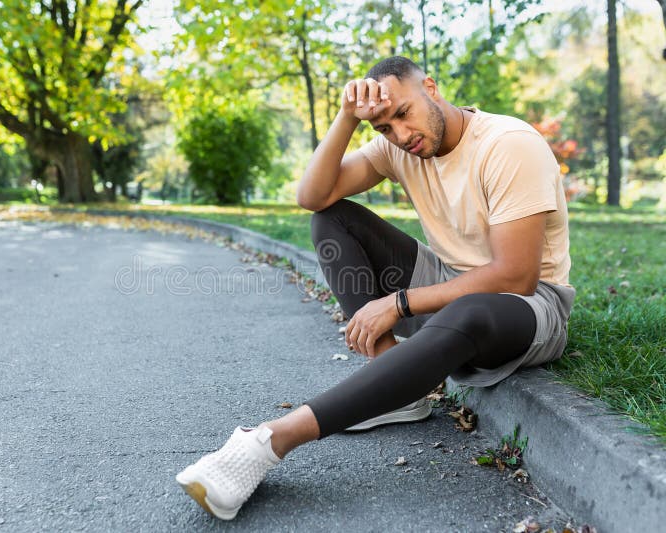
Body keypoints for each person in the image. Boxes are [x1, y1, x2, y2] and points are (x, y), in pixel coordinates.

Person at [175, 56, 575, 520]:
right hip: (448, 279)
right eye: (384, 128)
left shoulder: (508, 144)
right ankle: (399, 391)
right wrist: (347, 117)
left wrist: (400, 302)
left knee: (468, 311)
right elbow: (313, 196)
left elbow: (514, 275)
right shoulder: (398, 148)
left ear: (430, 87)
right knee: (331, 219)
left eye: (403, 113)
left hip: (527, 306)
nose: (401, 135)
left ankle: (271, 441)